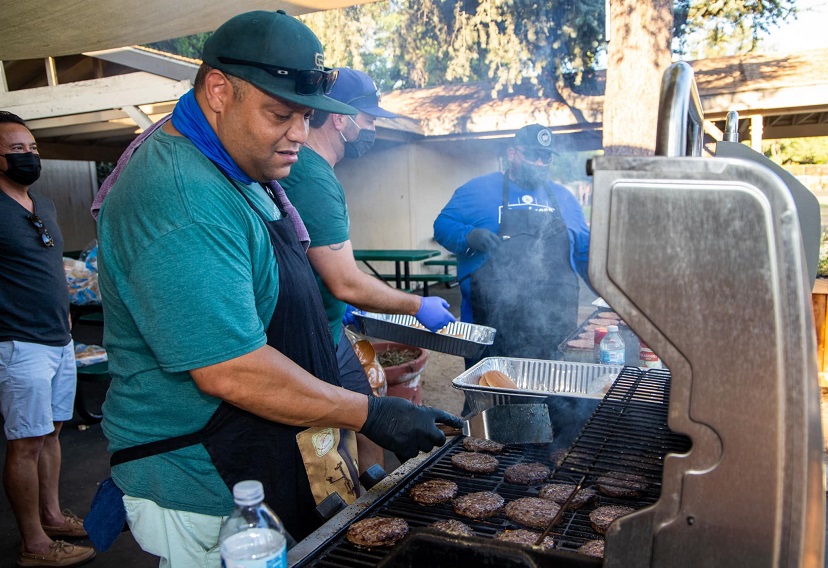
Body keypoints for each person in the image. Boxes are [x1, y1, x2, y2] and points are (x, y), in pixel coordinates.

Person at [95, 10, 461, 566]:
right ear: (218, 91)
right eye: (279, 113)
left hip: (258, 449)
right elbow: (231, 368)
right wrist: (371, 414)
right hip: (205, 478)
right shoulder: (182, 197)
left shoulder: (239, 170)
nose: (298, 133)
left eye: (306, 116)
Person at [280, 67, 456, 472]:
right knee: (344, 430)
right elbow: (344, 280)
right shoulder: (313, 178)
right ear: (340, 119)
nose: (373, 126)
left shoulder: (311, 169)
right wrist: (416, 304)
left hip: (324, 324)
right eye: (369, 117)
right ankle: (357, 507)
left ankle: (370, 490)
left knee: (367, 414)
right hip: (310, 337)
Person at [0, 111, 96, 567]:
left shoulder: (45, 204)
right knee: (26, 441)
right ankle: (34, 544)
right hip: (17, 342)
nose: (28, 156)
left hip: (59, 337)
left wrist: (66, 313)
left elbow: (48, 267)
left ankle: (53, 516)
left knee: (53, 432)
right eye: (17, 150)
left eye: (32, 148)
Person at [434, 124, 590, 362]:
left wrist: (616, 296)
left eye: (545, 156)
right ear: (512, 153)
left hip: (553, 324)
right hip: (488, 324)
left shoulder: (565, 199)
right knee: (489, 394)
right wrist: (468, 235)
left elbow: (586, 254)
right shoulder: (478, 190)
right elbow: (442, 226)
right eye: (532, 154)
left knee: (553, 395)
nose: (539, 162)